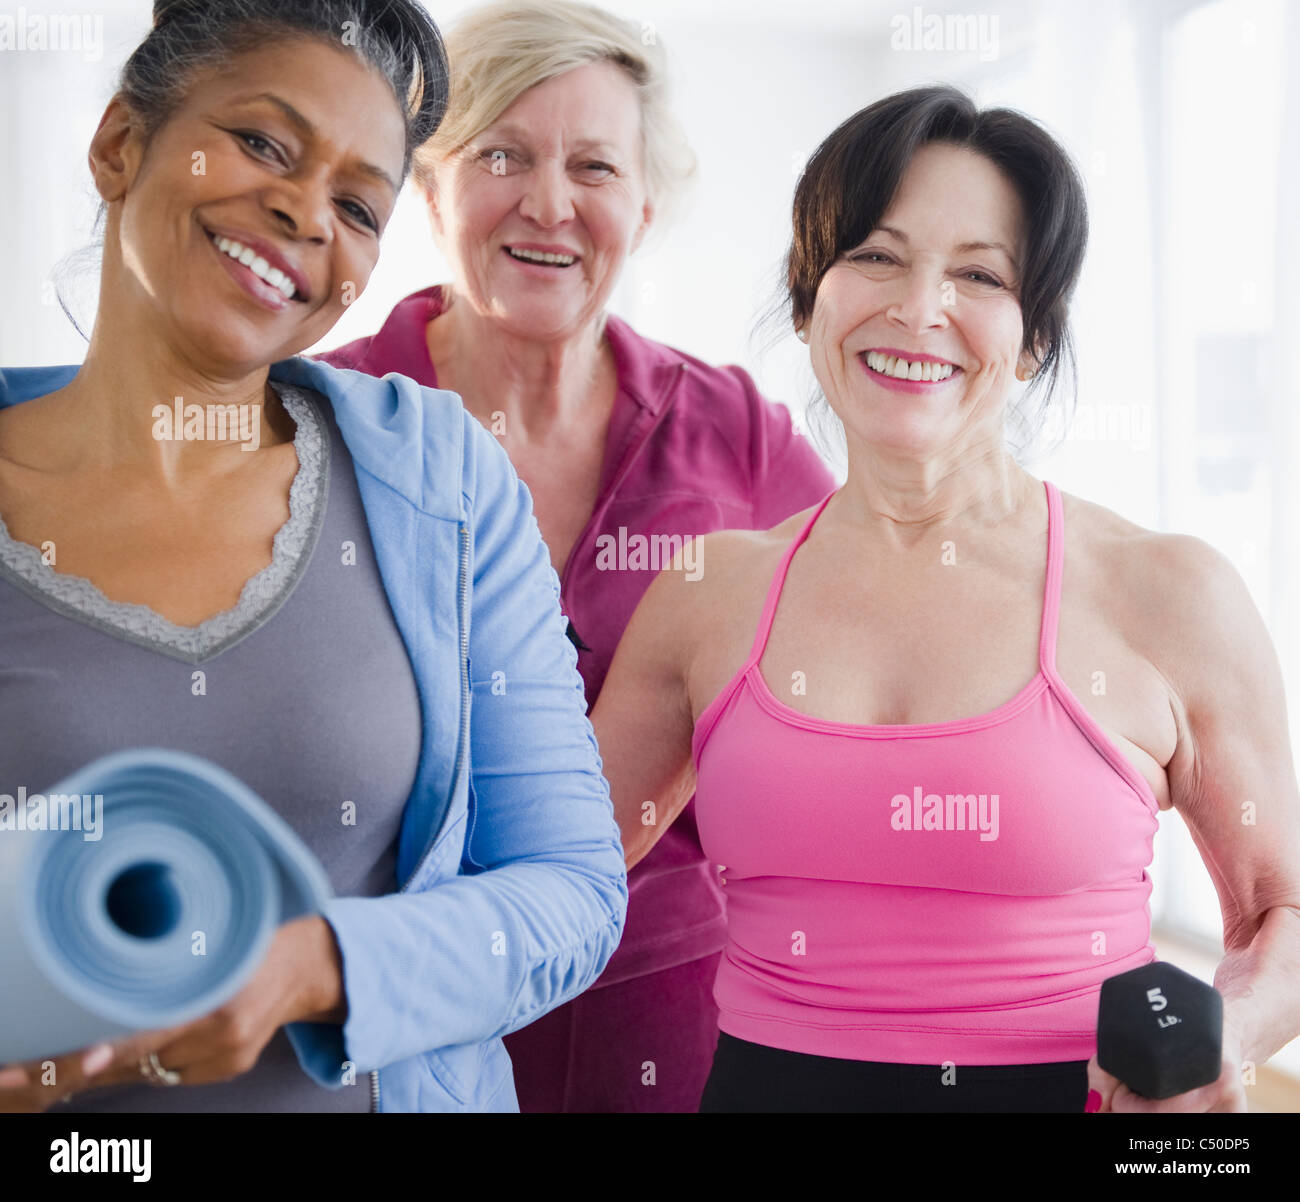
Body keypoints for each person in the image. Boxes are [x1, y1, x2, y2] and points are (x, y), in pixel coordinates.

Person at [592, 84, 1300, 1113]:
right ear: (807, 298)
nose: (917, 306)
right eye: (875, 256)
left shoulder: (1167, 590)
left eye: (977, 272)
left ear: (1033, 337)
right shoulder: (708, 593)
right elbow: (561, 874)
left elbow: (1282, 906)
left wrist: (1220, 1035)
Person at [0, 0, 625, 1114]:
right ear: (119, 145)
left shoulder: (444, 484)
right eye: (261, 144)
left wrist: (319, 964)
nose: (301, 210)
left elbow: (571, 893)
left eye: (356, 204)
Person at [314, 0, 835, 1113]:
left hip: (668, 1016)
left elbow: (870, 661)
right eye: (501, 153)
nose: (548, 203)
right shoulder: (328, 416)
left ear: (644, 205)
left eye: (593, 165)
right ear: (432, 183)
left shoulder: (739, 433)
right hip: (390, 1013)